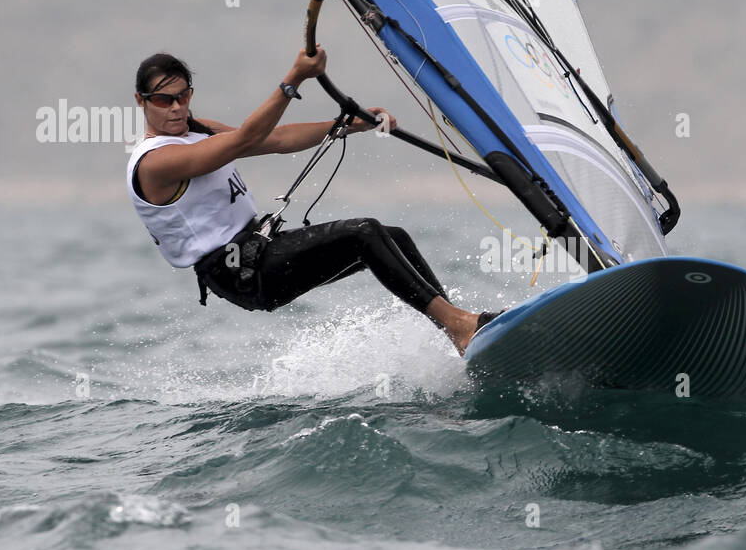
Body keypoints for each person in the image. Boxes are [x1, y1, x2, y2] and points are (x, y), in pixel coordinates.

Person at [126, 50, 500, 355]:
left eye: (183, 96)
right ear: (142, 101)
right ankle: (459, 325)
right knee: (363, 233)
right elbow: (244, 140)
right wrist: (295, 77)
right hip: (238, 273)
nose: (176, 108)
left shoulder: (197, 129)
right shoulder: (155, 163)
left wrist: (345, 125)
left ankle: (457, 331)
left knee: (392, 237)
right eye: (163, 100)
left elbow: (273, 140)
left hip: (258, 250)